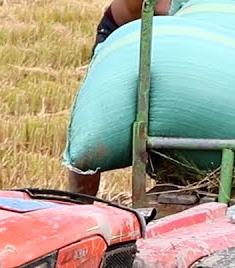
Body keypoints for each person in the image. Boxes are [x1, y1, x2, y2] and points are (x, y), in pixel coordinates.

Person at [69, 0, 174, 197]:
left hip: (178, 40)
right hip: (126, 32)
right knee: (95, 125)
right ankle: (79, 203)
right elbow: (143, 7)